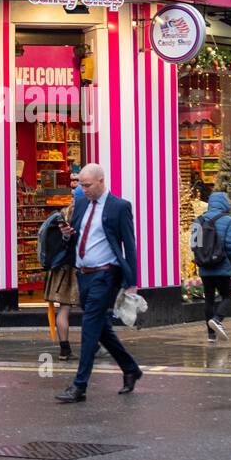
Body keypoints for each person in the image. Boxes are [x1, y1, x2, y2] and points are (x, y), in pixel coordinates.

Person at [54, 164, 143, 403]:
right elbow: (78, 236)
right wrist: (67, 233)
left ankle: (79, 386)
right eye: (80, 185)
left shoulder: (119, 207)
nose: (82, 190)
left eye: (87, 185)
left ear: (101, 181)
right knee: (102, 328)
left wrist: (132, 282)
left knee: (90, 327)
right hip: (83, 274)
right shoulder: (81, 203)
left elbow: (129, 245)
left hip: (105, 275)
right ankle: (131, 369)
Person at [194, 191, 231, 342]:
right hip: (222, 265)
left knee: (209, 299)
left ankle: (211, 335)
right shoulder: (228, 220)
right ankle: (218, 319)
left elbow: (194, 244)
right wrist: (230, 262)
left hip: (205, 267)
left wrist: (201, 258)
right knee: (227, 296)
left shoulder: (198, 220)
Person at [41, 194, 79, 361]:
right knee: (93, 307)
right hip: (73, 269)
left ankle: (65, 349)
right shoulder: (80, 217)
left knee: (63, 309)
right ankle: (98, 344)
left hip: (58, 269)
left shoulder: (61, 215)